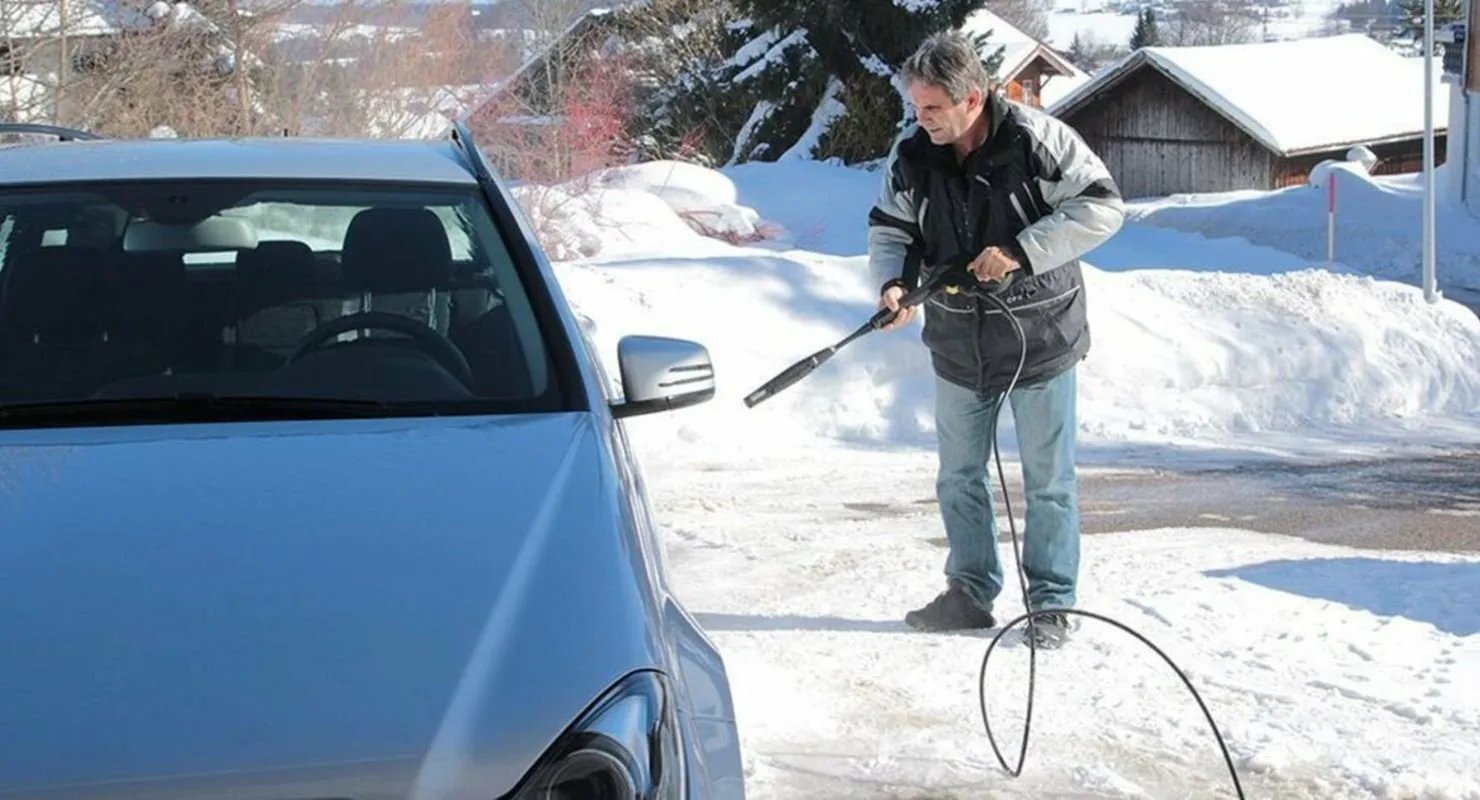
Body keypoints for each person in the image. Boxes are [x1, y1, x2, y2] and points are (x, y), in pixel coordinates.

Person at [868, 31, 1124, 647]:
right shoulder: (912, 156)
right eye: (916, 106)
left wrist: (1019, 252)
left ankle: (1052, 604)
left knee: (1048, 481)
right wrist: (894, 286)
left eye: (932, 108)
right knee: (959, 475)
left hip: (1041, 336)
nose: (920, 118)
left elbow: (1103, 206)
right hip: (957, 340)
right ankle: (970, 592)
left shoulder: (1040, 142)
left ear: (973, 99)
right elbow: (891, 229)